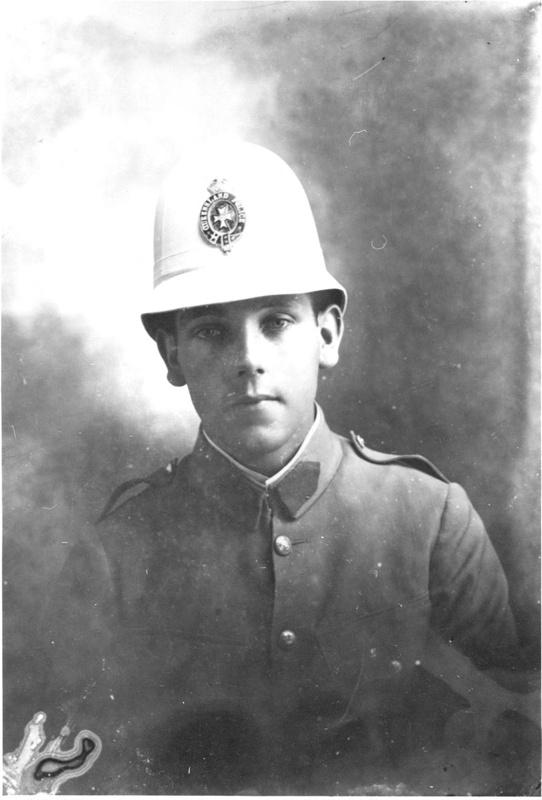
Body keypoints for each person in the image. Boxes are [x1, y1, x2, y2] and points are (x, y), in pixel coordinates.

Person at [36, 141, 529, 795]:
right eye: (212, 331)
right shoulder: (116, 550)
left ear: (327, 334)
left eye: (276, 322)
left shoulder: (430, 518)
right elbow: (63, 766)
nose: (248, 359)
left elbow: (523, 739)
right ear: (172, 354)